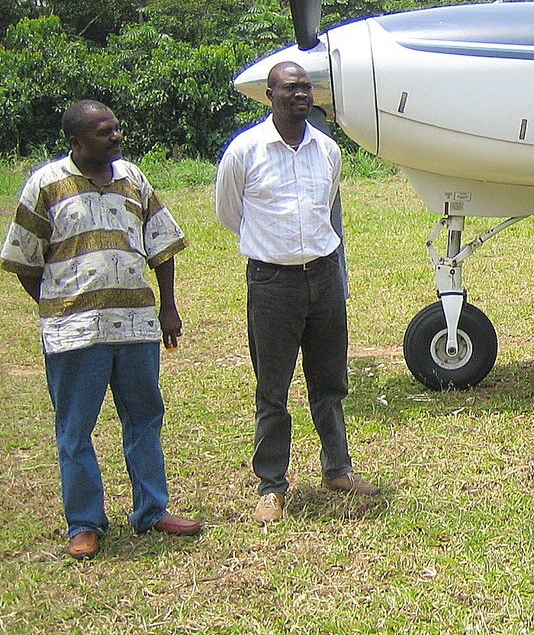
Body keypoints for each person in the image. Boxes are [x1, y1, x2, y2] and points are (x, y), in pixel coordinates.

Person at [1, 100, 203, 560]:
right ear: (75, 141)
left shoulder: (133, 178)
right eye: (103, 132)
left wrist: (168, 307)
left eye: (116, 129)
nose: (115, 137)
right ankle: (85, 523)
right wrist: (61, 304)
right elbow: (24, 260)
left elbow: (161, 244)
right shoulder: (46, 185)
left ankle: (152, 510)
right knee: (76, 430)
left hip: (135, 327)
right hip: (75, 334)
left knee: (145, 419)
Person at [216, 61, 379, 524]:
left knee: (329, 382)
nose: (300, 95)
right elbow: (231, 213)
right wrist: (276, 252)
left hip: (323, 278)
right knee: (273, 388)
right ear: (270, 94)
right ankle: (272, 485)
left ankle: (338, 470)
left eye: (306, 87)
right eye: (290, 88)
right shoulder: (245, 151)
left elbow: (327, 206)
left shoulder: (327, 150)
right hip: (272, 284)